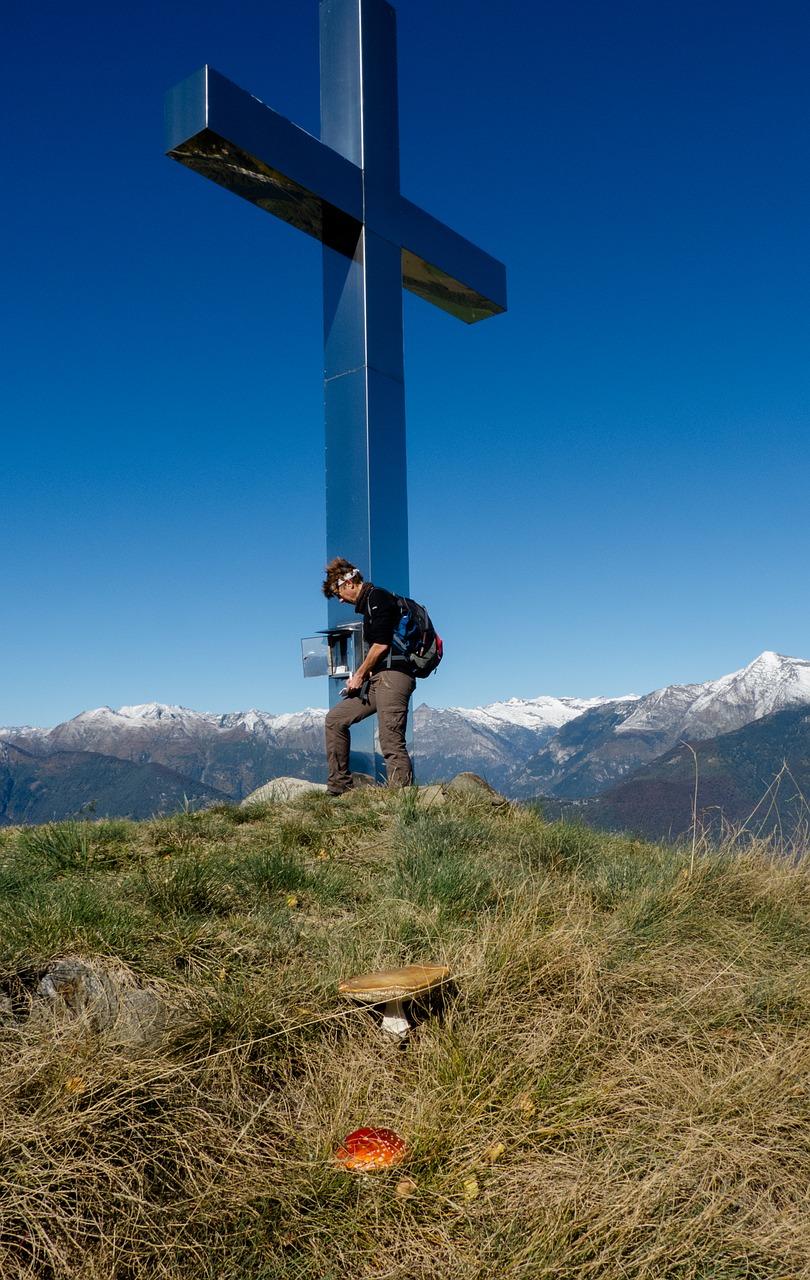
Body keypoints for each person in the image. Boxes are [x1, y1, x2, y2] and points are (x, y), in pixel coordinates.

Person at [322, 557, 415, 796]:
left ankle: (402, 801)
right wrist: (365, 676)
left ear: (350, 582)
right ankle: (339, 787)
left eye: (338, 593)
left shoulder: (378, 598)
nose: (340, 600)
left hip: (394, 677)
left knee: (390, 740)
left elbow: (381, 644)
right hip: (379, 680)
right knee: (335, 719)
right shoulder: (369, 606)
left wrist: (359, 676)